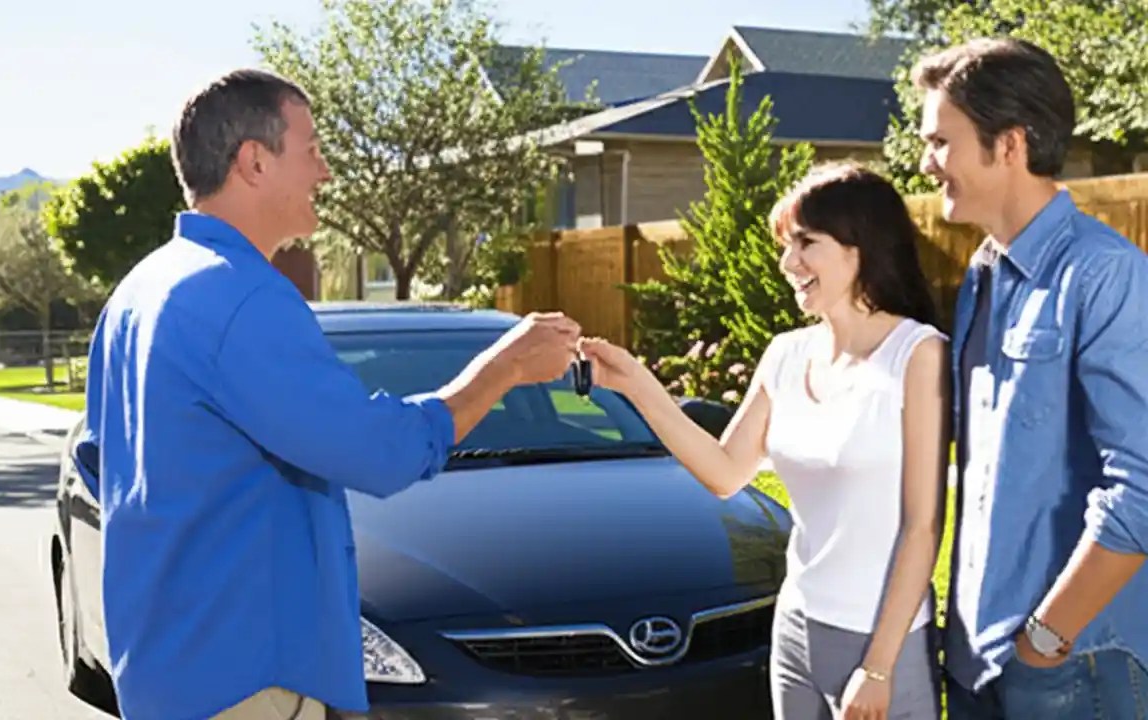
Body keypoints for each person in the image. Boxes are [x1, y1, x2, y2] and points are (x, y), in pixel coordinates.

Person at [76, 68, 581, 720]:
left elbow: (99, 461)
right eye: (311, 149)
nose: (326, 172)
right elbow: (379, 451)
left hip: (164, 671)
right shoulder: (239, 296)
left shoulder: (138, 292)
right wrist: (505, 366)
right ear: (254, 161)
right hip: (244, 683)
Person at [580, 161, 950, 719]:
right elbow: (725, 472)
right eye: (786, 245)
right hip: (797, 627)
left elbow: (924, 527)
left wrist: (878, 667)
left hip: (882, 643)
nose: (788, 262)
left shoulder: (918, 355)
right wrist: (634, 382)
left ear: (862, 248)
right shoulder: (786, 354)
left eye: (807, 243)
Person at [909, 37, 1148, 718]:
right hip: (977, 660)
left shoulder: (1105, 274)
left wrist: (1044, 641)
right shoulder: (983, 274)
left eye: (941, 142)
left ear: (1010, 144)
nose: (927, 163)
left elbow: (1142, 485)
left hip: (1073, 667)